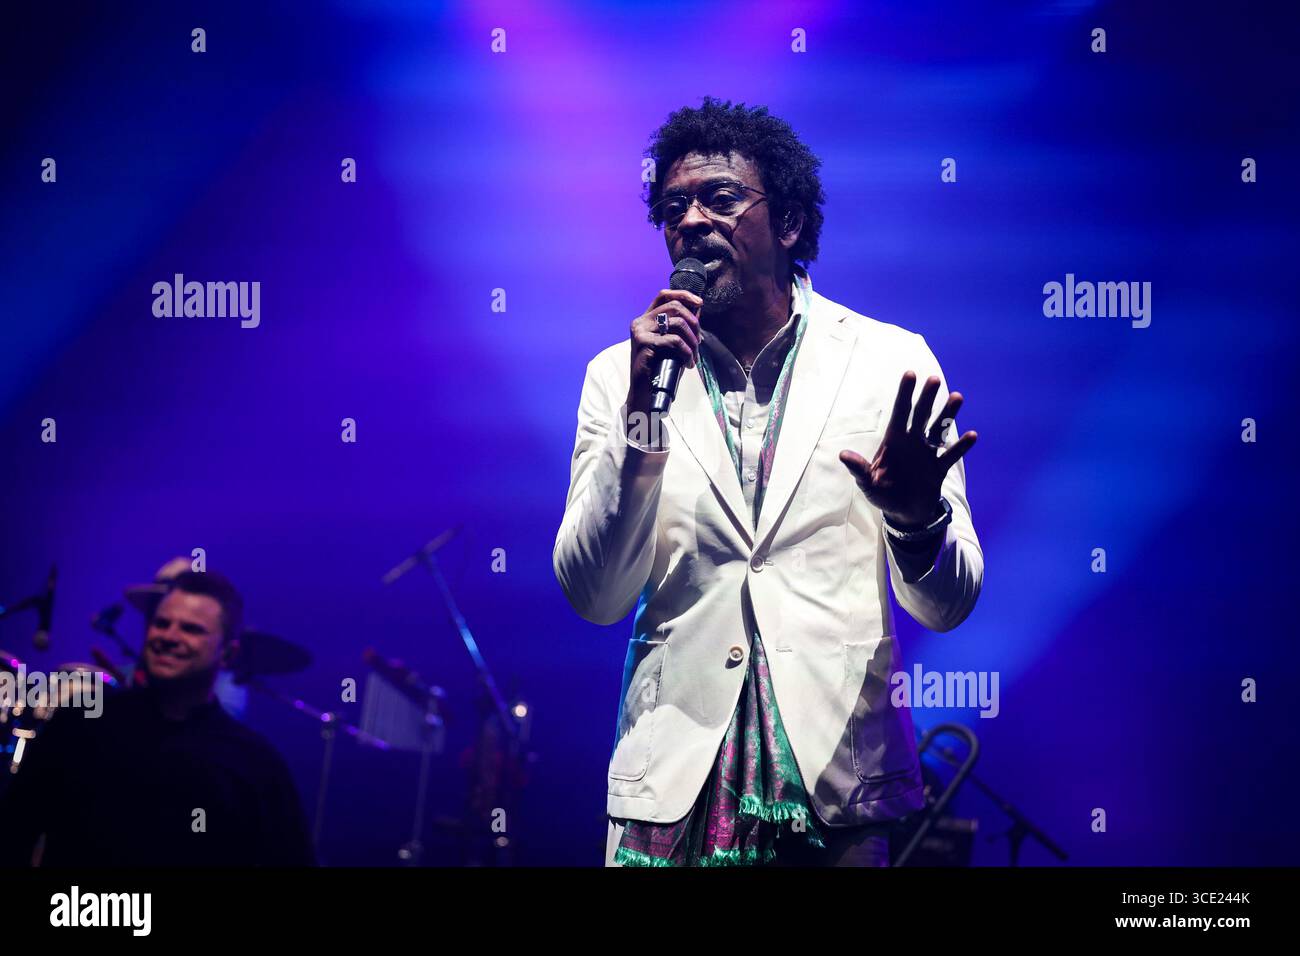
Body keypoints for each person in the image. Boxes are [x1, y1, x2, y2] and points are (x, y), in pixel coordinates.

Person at [553, 98, 984, 867]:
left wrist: (918, 522)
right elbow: (594, 596)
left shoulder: (890, 362)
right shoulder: (618, 376)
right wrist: (641, 423)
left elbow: (948, 605)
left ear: (787, 223)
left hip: (836, 788)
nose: (689, 221)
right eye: (672, 206)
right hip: (672, 788)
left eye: (719, 199)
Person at [0, 570, 314, 866]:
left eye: (191, 629)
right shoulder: (80, 724)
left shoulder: (254, 763)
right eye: (161, 623)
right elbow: (15, 831)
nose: (169, 636)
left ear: (228, 654)